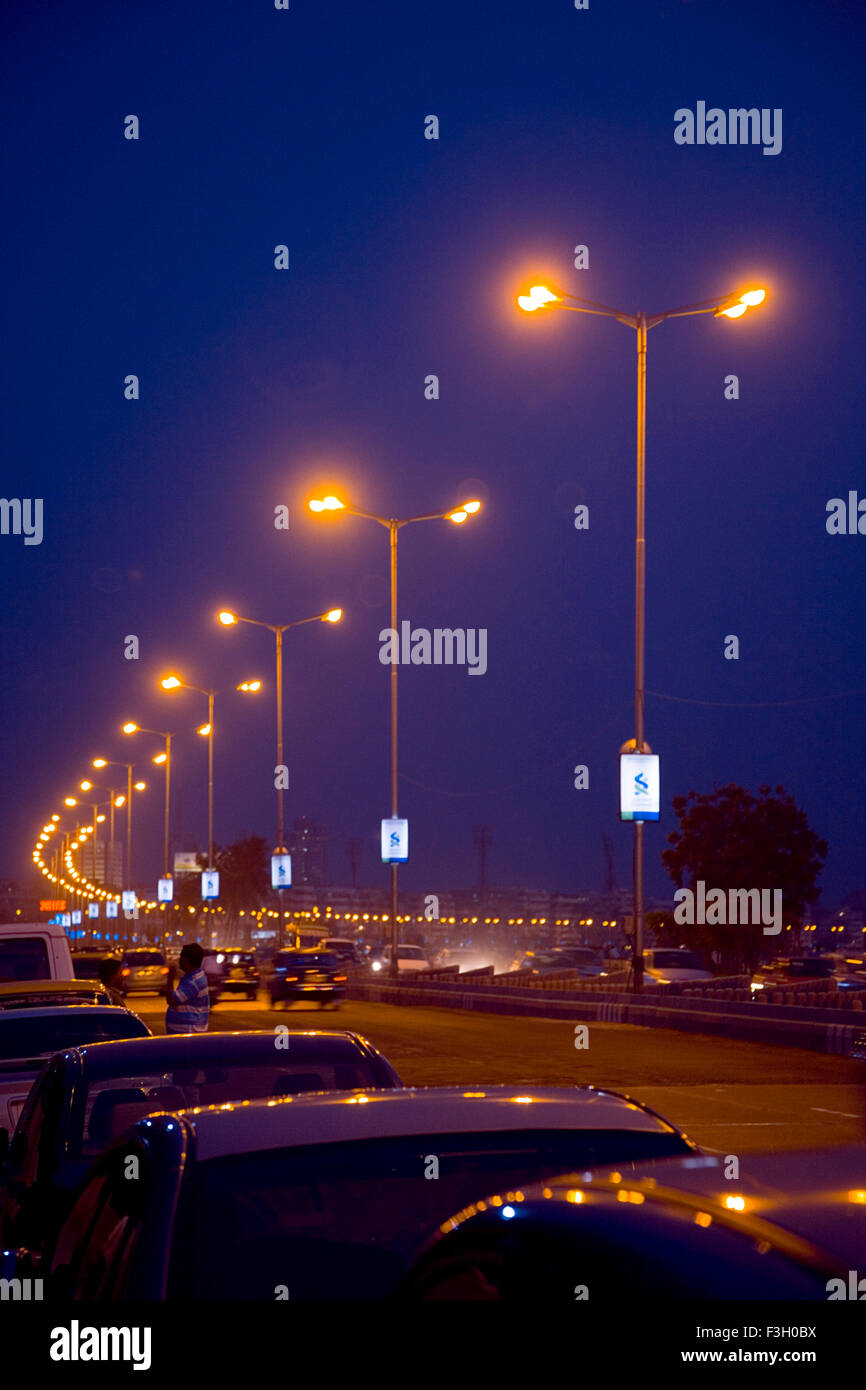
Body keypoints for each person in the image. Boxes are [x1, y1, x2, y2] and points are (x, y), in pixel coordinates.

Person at [164, 942, 210, 1034]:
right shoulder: (193, 977)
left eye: (181, 957)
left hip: (188, 1035)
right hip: (185, 1035)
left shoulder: (194, 981)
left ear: (187, 960)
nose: (179, 960)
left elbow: (171, 999)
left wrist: (170, 978)